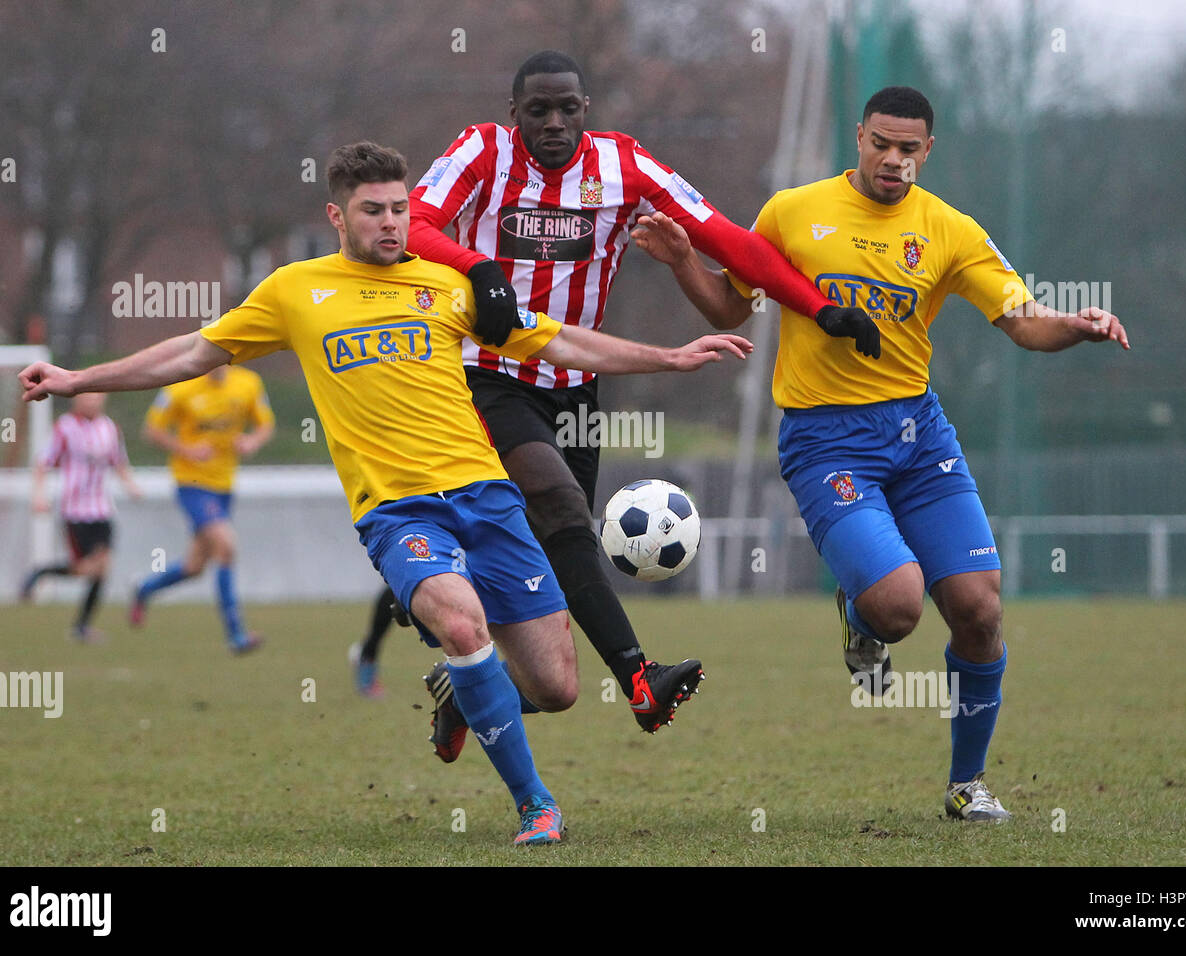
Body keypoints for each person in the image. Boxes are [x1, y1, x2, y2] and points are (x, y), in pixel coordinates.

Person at [17, 141, 752, 845]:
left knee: (558, 687)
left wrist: (670, 358)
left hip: (488, 499)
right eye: (373, 210)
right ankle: (536, 806)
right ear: (337, 217)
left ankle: (461, 694)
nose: (393, 222)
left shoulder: (448, 284)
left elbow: (559, 342)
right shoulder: (295, 292)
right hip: (398, 512)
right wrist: (80, 379)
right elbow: (190, 352)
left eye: (400, 208)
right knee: (464, 628)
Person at [630, 86, 1129, 822]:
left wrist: (1076, 325)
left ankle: (967, 786)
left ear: (928, 152)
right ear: (859, 137)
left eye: (909, 150)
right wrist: (681, 261)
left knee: (979, 609)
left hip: (919, 437)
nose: (893, 161)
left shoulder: (950, 229)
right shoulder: (793, 212)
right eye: (881, 144)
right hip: (825, 439)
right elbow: (731, 308)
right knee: (899, 609)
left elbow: (1022, 323)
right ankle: (863, 615)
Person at [355, 49, 853, 750]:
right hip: (482, 376)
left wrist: (820, 307)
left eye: (568, 109)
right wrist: (481, 269)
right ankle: (639, 678)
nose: (554, 123)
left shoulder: (623, 167)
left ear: (586, 112)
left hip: (576, 385)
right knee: (556, 505)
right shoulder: (482, 150)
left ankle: (466, 689)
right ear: (513, 114)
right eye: (538, 110)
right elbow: (418, 227)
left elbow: (731, 242)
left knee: (552, 580)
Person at [127, 364, 275, 654]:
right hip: (192, 484)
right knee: (226, 547)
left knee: (194, 567)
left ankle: (144, 589)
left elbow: (266, 424)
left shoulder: (249, 383)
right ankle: (236, 635)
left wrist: (251, 441)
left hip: (224, 486)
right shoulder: (180, 386)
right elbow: (150, 430)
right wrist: (185, 449)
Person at [20, 392, 142, 641]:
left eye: (97, 396)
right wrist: (39, 496)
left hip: (103, 509)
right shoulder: (65, 427)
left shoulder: (109, 427)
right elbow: (43, 462)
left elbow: (118, 462)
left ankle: (82, 627)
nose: (92, 401)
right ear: (76, 399)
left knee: (102, 568)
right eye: (87, 396)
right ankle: (41, 573)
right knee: (86, 569)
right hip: (75, 511)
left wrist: (131, 486)